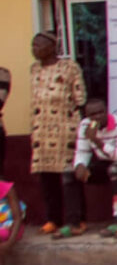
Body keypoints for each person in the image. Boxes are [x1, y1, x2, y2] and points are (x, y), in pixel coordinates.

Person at [26, 31, 85, 236]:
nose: (34, 50)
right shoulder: (34, 69)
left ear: (52, 47)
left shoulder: (69, 68)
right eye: (33, 46)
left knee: (69, 176)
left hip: (65, 128)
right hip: (41, 130)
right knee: (46, 177)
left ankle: (76, 219)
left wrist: (81, 129)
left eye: (38, 45)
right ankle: (53, 219)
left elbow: (80, 100)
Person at [64, 96, 117, 237]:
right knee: (69, 174)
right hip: (103, 161)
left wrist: (96, 140)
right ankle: (75, 223)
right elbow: (82, 151)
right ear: (87, 116)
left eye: (101, 112)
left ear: (106, 111)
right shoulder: (84, 125)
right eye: (93, 115)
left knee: (114, 170)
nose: (97, 117)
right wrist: (80, 165)